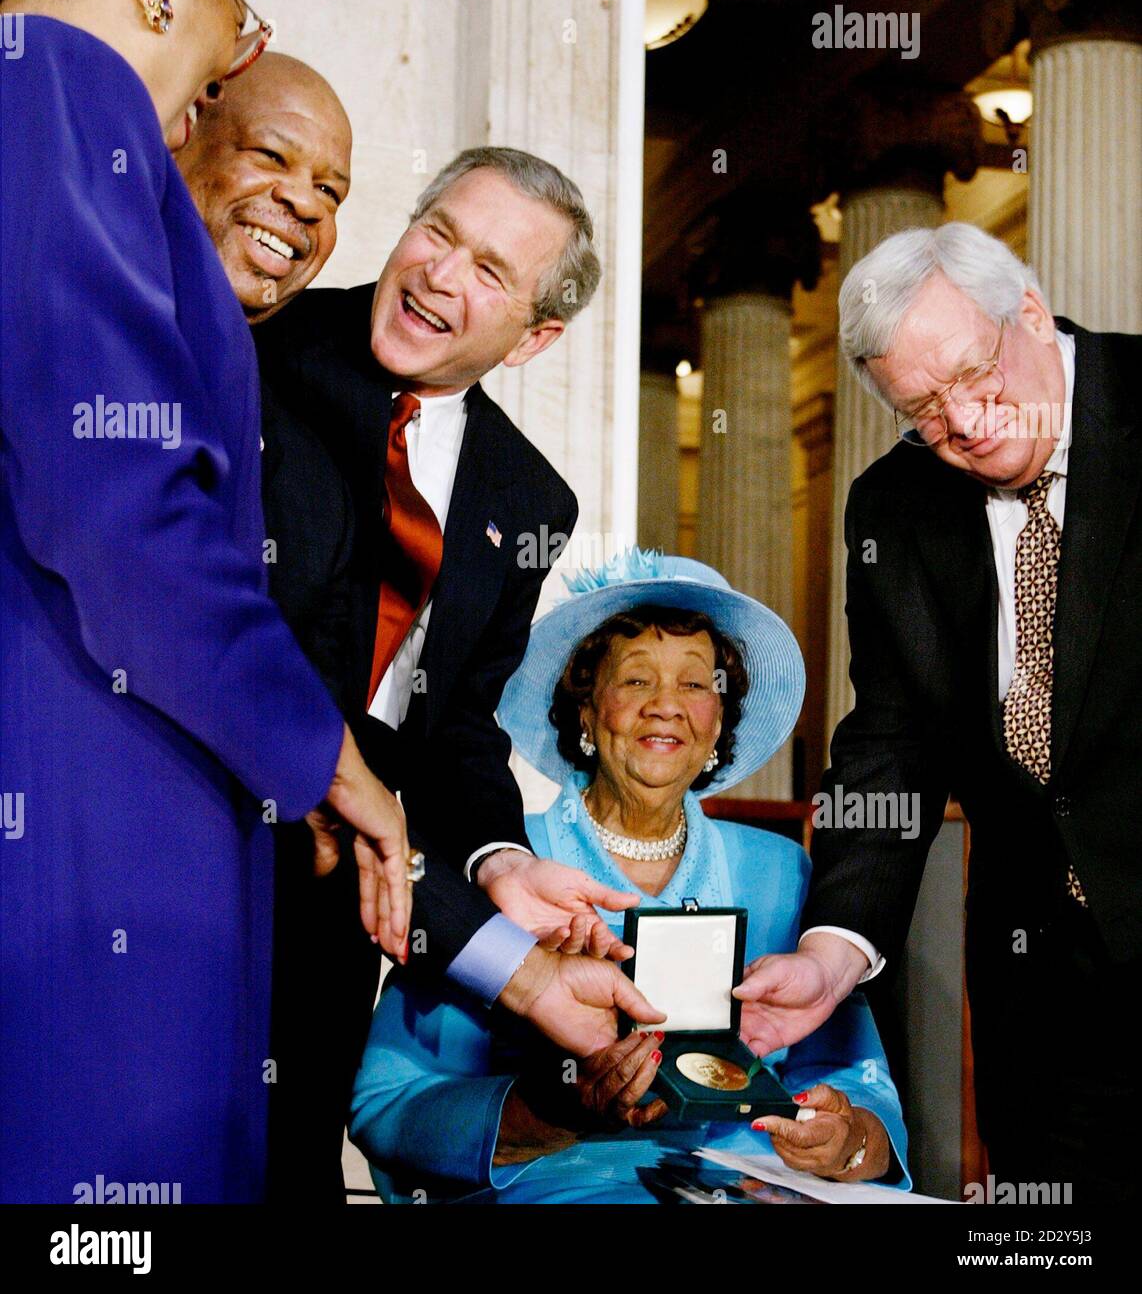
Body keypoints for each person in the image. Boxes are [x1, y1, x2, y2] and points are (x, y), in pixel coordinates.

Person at [0, 0, 415, 1204]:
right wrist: (326, 754)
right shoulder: (59, 100)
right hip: (94, 821)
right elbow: (123, 512)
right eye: (244, 13)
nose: (233, 49)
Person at [177, 101, 661, 1197]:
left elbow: (454, 727)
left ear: (536, 335)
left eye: (490, 270)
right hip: (201, 854)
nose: (439, 275)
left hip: (356, 911)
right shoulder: (255, 352)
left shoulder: (528, 493)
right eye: (435, 231)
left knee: (288, 1167)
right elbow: (269, 662)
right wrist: (519, 973)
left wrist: (498, 860)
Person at [735, 223, 1141, 1204]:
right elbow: (891, 739)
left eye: (974, 373)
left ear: (1030, 315)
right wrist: (832, 953)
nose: (967, 422)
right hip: (1042, 998)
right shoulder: (893, 507)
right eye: (922, 408)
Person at [349, 551, 912, 1203]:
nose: (666, 707)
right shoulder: (498, 865)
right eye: (637, 680)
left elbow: (859, 1087)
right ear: (584, 712)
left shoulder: (781, 870)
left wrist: (848, 1142)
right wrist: (554, 1110)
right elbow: (390, 1103)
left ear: (720, 720)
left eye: (696, 684)